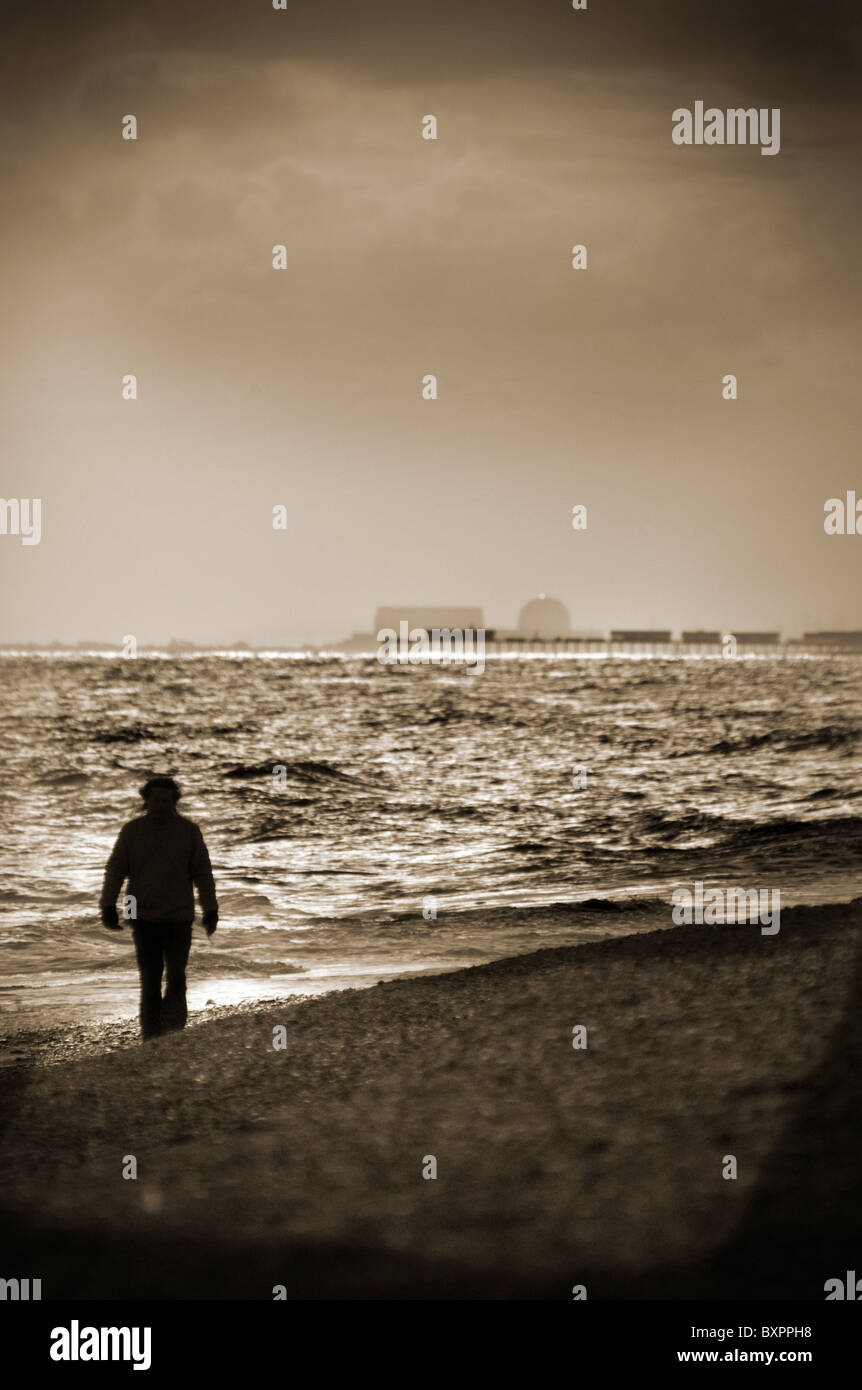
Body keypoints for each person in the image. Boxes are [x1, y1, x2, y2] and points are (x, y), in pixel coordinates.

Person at [99, 777, 218, 1040]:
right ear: (147, 801)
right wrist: (108, 905)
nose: (161, 805)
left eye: (166, 801)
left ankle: (174, 1034)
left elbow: (203, 873)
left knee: (176, 976)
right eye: (156, 800)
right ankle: (151, 1037)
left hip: (179, 918)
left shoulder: (188, 831)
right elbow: (116, 870)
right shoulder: (132, 831)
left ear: (174, 803)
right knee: (150, 981)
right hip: (142, 918)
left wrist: (210, 908)